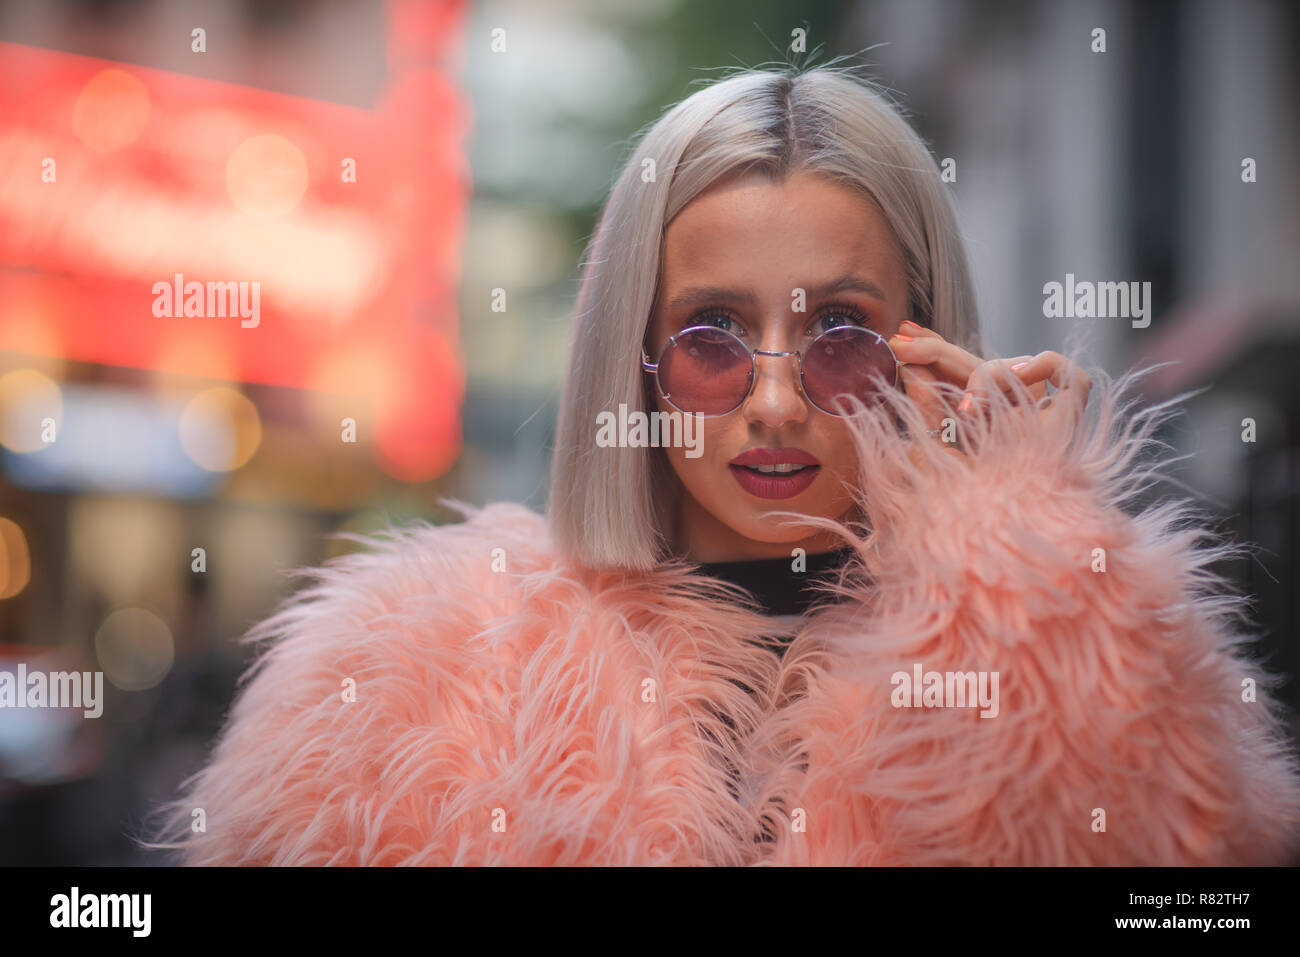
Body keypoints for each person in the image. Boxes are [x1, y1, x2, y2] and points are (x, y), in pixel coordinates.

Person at [147, 64, 1300, 865]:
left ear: (925, 340)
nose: (776, 400)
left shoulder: (1052, 639)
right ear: (632, 360)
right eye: (710, 336)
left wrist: (1033, 560)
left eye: (841, 332)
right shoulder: (404, 679)